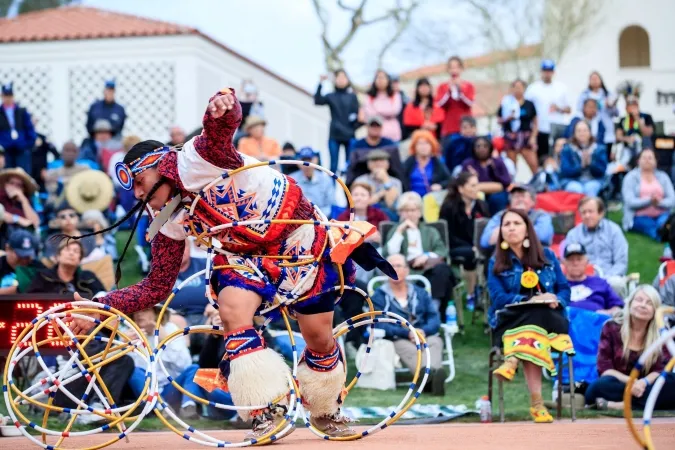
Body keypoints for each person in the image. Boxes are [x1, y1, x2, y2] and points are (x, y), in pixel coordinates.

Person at [63, 88, 395, 439]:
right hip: (241, 258)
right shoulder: (163, 218)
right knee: (233, 313)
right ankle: (266, 408)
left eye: (142, 184)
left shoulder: (197, 159)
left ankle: (325, 408)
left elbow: (220, 130)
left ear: (160, 167)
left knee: (319, 339)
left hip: (301, 244)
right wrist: (99, 306)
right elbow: (157, 285)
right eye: (136, 193)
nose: (140, 196)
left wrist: (222, 108)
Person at [488, 208, 572, 423]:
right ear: (501, 231)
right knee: (531, 329)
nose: (511, 228)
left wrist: (555, 298)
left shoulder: (548, 256)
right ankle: (537, 405)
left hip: (551, 319)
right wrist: (527, 301)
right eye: (506, 224)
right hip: (512, 320)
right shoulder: (496, 262)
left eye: (516, 223)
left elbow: (564, 289)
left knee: (537, 314)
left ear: (527, 230)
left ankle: (512, 358)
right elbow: (498, 298)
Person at [585, 285, 675, 410]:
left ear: (655, 310)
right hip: (621, 383)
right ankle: (641, 404)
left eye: (649, 303)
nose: (643, 305)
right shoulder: (611, 327)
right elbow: (605, 369)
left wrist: (643, 383)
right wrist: (633, 382)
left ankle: (621, 405)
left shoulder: (662, 332)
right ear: (630, 303)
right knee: (596, 388)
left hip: (650, 384)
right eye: (639, 300)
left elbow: (663, 369)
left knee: (671, 382)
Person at [371, 253, 447, 395]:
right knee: (409, 349)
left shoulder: (420, 293)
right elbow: (379, 323)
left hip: (423, 334)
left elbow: (434, 318)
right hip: (399, 337)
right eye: (390, 266)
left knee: (435, 342)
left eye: (398, 266)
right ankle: (432, 378)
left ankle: (430, 378)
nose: (394, 269)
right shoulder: (379, 296)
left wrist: (422, 331)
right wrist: (407, 333)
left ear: (407, 270)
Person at [384, 191, 456, 320]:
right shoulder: (395, 231)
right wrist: (400, 232)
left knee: (443, 270)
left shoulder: (430, 231)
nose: (410, 214)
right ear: (400, 212)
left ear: (420, 212)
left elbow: (441, 251)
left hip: (428, 271)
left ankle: (434, 310)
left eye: (413, 210)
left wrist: (426, 256)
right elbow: (389, 254)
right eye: (405, 210)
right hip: (403, 272)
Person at [439, 171, 490, 312]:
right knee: (470, 255)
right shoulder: (449, 207)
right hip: (455, 246)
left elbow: (487, 228)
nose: (476, 189)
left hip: (479, 245)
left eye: (477, 185)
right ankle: (471, 294)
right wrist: (471, 247)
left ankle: (486, 291)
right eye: (472, 185)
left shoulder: (482, 205)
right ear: (461, 189)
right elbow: (447, 235)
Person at [564, 197, 628, 296]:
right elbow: (569, 262)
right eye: (584, 212)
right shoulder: (573, 234)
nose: (587, 215)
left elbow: (621, 262)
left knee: (616, 283)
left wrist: (604, 279)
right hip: (581, 278)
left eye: (590, 211)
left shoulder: (614, 231)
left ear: (601, 213)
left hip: (609, 276)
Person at [621, 149, 675, 240]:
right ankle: (662, 235)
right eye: (644, 158)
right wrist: (649, 201)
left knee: (664, 222)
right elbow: (629, 201)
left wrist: (658, 203)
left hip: (661, 214)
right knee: (650, 225)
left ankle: (665, 233)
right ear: (638, 161)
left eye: (650, 158)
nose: (647, 160)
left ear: (655, 161)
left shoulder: (663, 177)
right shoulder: (630, 177)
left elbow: (672, 200)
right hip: (638, 216)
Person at [314, 70, 361, 174]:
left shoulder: (352, 96)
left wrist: (354, 127)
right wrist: (321, 83)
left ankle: (348, 189)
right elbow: (317, 101)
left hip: (349, 135)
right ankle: (332, 189)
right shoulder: (331, 96)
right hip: (335, 134)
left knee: (350, 165)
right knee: (333, 166)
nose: (341, 80)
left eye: (343, 77)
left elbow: (358, 116)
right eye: (338, 77)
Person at [480, 185, 554, 250]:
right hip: (505, 257)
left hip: (535, 257)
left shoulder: (541, 215)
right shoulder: (500, 216)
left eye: (523, 196)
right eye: (516, 196)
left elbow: (543, 235)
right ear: (510, 202)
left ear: (533, 201)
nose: (519, 199)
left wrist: (507, 232)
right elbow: (485, 241)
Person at [525, 60, 571, 159]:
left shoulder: (561, 87)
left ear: (553, 72)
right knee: (542, 159)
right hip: (540, 130)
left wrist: (559, 109)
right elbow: (527, 109)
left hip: (557, 128)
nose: (547, 73)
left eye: (550, 71)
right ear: (541, 71)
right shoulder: (533, 88)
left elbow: (569, 109)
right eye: (545, 70)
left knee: (558, 157)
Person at [28, 239, 106, 296]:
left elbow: (103, 297)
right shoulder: (43, 276)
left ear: (80, 260)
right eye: (67, 249)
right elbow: (30, 299)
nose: (71, 253)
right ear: (58, 256)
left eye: (76, 251)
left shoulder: (89, 277)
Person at [562, 243, 624, 315]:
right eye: (571, 260)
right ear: (564, 263)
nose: (575, 263)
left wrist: (606, 313)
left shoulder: (600, 283)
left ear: (587, 262)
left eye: (579, 259)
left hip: (598, 322)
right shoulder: (557, 285)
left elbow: (618, 307)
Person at [461, 136, 511, 214]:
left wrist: (494, 171)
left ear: (490, 148)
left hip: (497, 193)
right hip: (474, 192)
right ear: (473, 148)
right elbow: (461, 182)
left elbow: (507, 181)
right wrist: (471, 177)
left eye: (485, 146)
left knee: (497, 199)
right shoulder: (468, 163)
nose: (482, 149)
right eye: (478, 146)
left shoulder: (498, 162)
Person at [498, 79, 539, 174]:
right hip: (511, 137)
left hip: (526, 137)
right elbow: (499, 120)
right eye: (516, 87)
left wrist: (533, 137)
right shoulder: (506, 103)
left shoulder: (529, 104)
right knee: (511, 167)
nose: (518, 90)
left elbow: (535, 122)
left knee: (534, 164)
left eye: (520, 87)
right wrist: (508, 118)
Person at [559, 120, 607, 197]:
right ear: (574, 133)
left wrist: (590, 164)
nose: (582, 133)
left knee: (590, 188)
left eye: (585, 130)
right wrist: (580, 166)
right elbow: (565, 171)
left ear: (590, 132)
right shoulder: (567, 149)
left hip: (593, 180)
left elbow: (602, 171)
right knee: (576, 189)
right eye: (579, 131)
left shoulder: (599, 149)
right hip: (572, 180)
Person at [576, 71, 618, 157]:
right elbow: (579, 109)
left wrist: (610, 106)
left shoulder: (608, 94)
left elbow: (616, 113)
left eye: (596, 78)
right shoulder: (585, 94)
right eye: (592, 79)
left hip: (606, 131)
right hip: (591, 130)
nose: (594, 81)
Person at [434, 56, 475, 142]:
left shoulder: (468, 86)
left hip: (466, 128)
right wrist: (449, 91)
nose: (454, 70)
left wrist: (460, 91)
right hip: (449, 128)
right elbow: (439, 104)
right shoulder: (443, 87)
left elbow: (470, 103)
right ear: (448, 70)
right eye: (451, 67)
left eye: (457, 67)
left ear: (461, 69)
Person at [353, 150, 402, 220]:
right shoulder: (361, 180)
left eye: (382, 160)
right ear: (368, 164)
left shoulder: (396, 182)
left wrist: (386, 180)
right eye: (374, 160)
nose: (378, 163)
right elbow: (362, 203)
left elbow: (391, 204)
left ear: (388, 164)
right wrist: (382, 193)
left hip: (390, 217)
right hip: (368, 216)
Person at [0, 82, 37, 173]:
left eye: (10, 96)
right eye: (6, 96)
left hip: (22, 150)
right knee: (7, 174)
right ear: (2, 96)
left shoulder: (22, 112)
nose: (8, 98)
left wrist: (27, 144)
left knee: (23, 174)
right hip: (6, 152)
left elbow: (30, 129)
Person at [288, 147, 335, 217]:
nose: (306, 165)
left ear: (316, 160)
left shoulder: (326, 180)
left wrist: (317, 216)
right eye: (303, 160)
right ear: (298, 161)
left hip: (321, 219)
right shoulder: (291, 180)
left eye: (309, 160)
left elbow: (330, 205)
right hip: (298, 220)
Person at [402, 129, 451, 197]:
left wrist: (440, 185)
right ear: (414, 146)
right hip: (412, 199)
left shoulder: (437, 162)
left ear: (432, 146)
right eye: (420, 144)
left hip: (431, 199)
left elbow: (449, 180)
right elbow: (401, 179)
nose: (423, 147)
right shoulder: (409, 162)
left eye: (427, 143)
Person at [363, 70, 402, 142]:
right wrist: (387, 111)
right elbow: (370, 113)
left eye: (383, 78)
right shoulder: (369, 96)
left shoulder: (395, 95)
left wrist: (377, 110)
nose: (380, 80)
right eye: (378, 78)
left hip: (393, 134)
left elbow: (395, 110)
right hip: (375, 136)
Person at [0, 229, 42, 295]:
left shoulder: (37, 268)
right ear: (7, 248)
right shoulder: (1, 264)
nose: (24, 260)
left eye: (27, 256)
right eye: (20, 255)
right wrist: (17, 290)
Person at [31, 127, 60, 192]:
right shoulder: (22, 139)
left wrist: (50, 169)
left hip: (41, 173)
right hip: (28, 172)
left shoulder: (42, 137)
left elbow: (56, 153)